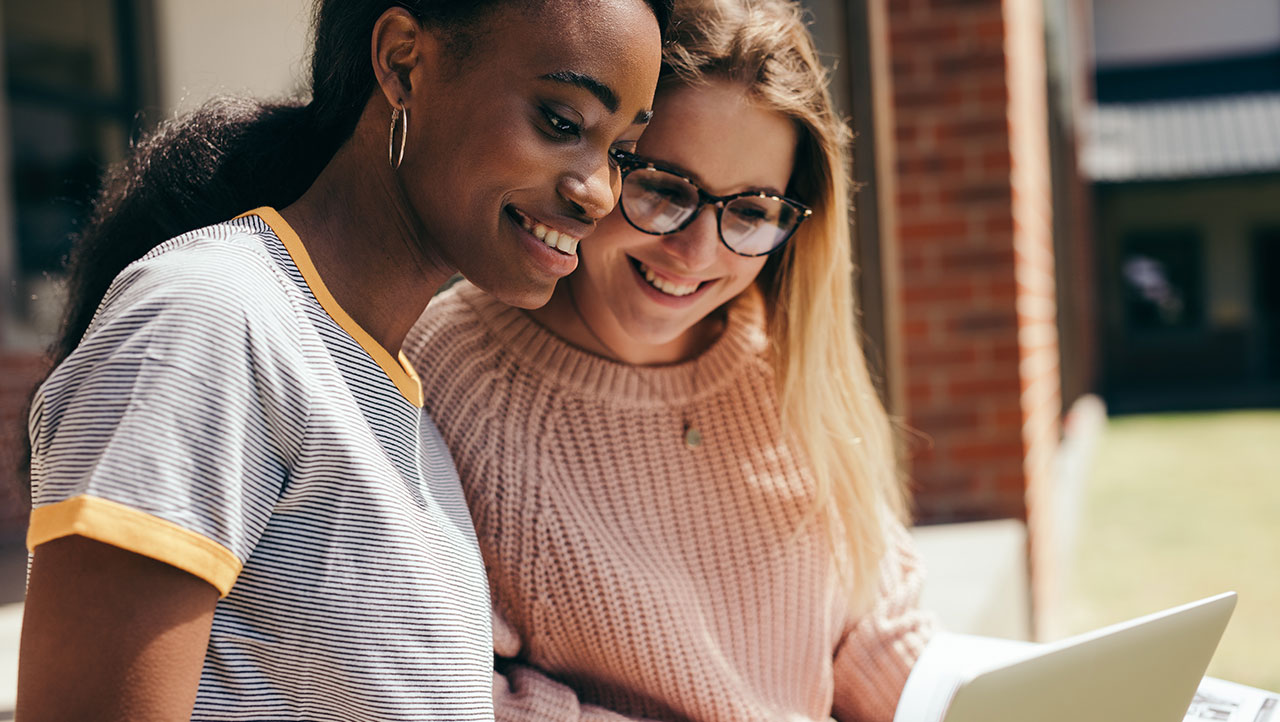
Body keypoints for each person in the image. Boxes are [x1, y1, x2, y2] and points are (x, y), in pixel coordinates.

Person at [16, 0, 669, 719]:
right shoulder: (212, 320)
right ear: (401, 64)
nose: (599, 193)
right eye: (562, 122)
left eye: (620, 153)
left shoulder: (395, 395)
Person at [405, 0, 935, 719]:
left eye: (749, 211)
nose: (695, 254)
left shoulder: (790, 362)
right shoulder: (446, 374)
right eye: (661, 189)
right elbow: (453, 687)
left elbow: (874, 626)